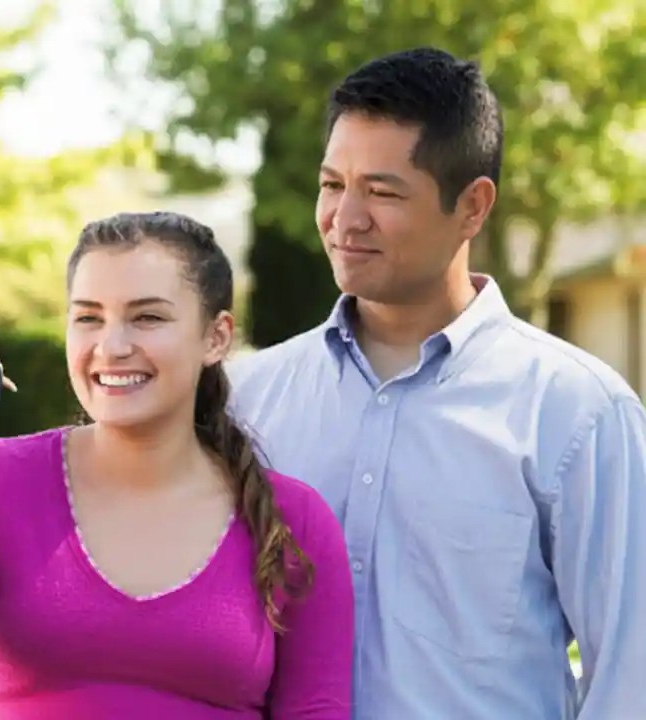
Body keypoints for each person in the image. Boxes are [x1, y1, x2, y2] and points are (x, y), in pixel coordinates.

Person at [227, 47, 646, 719]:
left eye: (383, 191)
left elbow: (632, 678)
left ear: (473, 206)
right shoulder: (246, 399)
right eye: (332, 184)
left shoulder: (578, 415)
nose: (345, 219)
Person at [0, 211, 354, 718]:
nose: (111, 347)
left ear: (216, 338)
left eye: (148, 317)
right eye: (88, 317)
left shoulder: (293, 520)